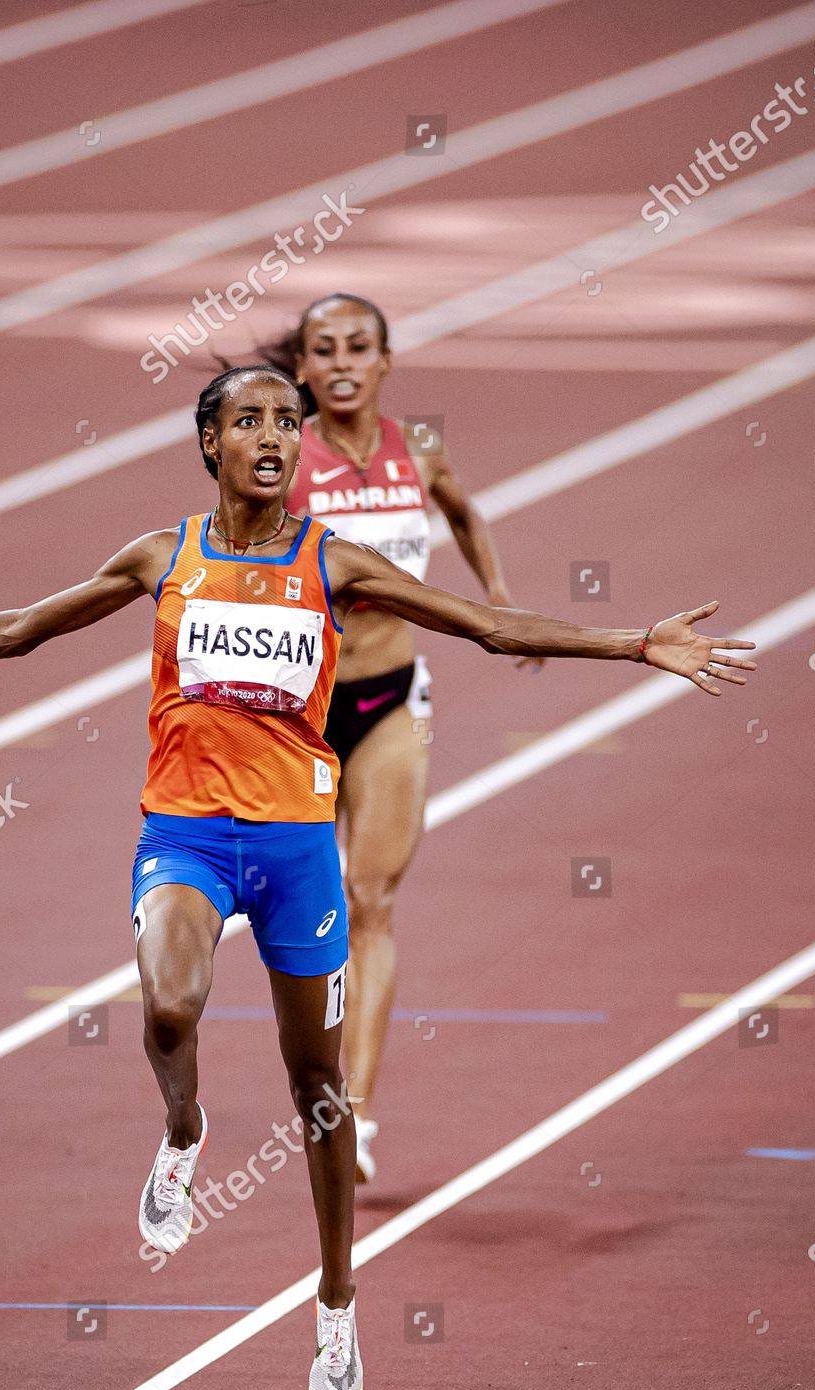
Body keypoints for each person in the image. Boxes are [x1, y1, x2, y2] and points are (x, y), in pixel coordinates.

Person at [0, 364, 756, 1390]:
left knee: (319, 1094)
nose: (274, 435)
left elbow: (488, 627)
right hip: (185, 835)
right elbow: (16, 630)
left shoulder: (337, 562)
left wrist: (636, 644)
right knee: (170, 1004)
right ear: (210, 445)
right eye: (250, 421)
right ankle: (184, 1133)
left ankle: (334, 1307)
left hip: (297, 854)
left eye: (287, 421)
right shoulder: (164, 556)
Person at [257, 291, 535, 1183]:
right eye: (323, 349)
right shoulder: (278, 461)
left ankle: (355, 1112)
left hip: (387, 702)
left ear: (384, 361)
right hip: (293, 715)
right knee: (290, 911)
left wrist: (495, 591)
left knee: (370, 899)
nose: (340, 363)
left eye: (357, 348)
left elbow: (462, 510)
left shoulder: (418, 449)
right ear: (301, 367)